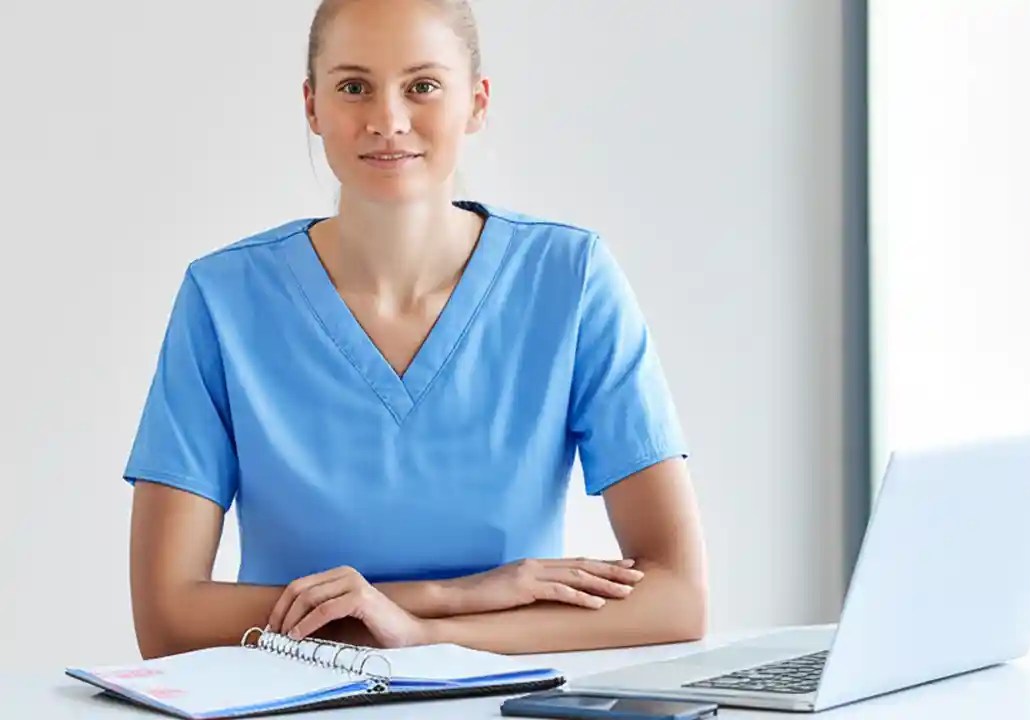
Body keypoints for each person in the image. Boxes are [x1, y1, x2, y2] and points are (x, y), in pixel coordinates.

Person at [125, 0, 706, 660]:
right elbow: (168, 617)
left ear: (477, 103)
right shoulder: (224, 298)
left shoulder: (570, 280)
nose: (387, 120)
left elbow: (677, 596)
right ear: (312, 107)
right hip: (290, 700)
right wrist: (449, 595)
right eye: (353, 87)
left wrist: (428, 635)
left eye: (423, 86)